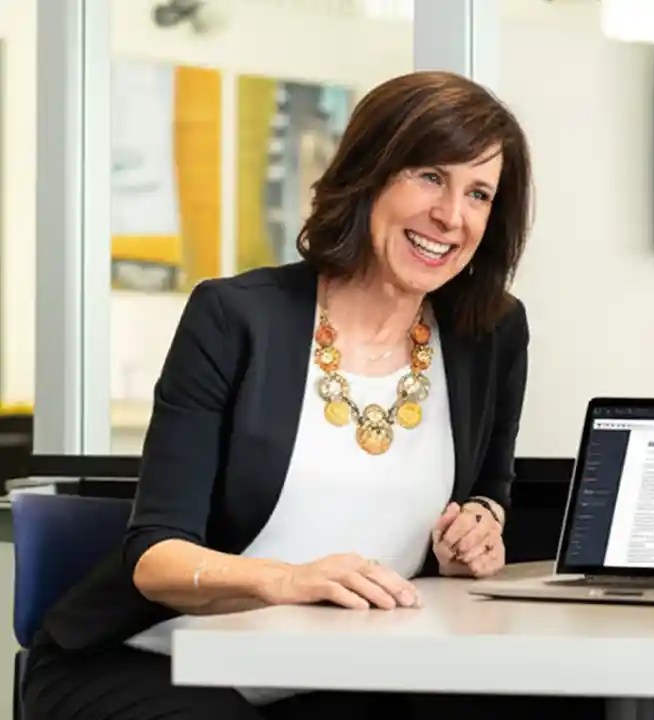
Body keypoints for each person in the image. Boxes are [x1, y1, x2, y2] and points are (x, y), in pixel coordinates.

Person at [23, 71, 592, 720]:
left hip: (337, 671)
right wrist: (290, 581)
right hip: (155, 658)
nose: (451, 216)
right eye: (430, 176)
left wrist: (479, 532)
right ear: (370, 172)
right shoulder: (235, 318)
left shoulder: (487, 333)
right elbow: (157, 557)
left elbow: (490, 487)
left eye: (479, 193)